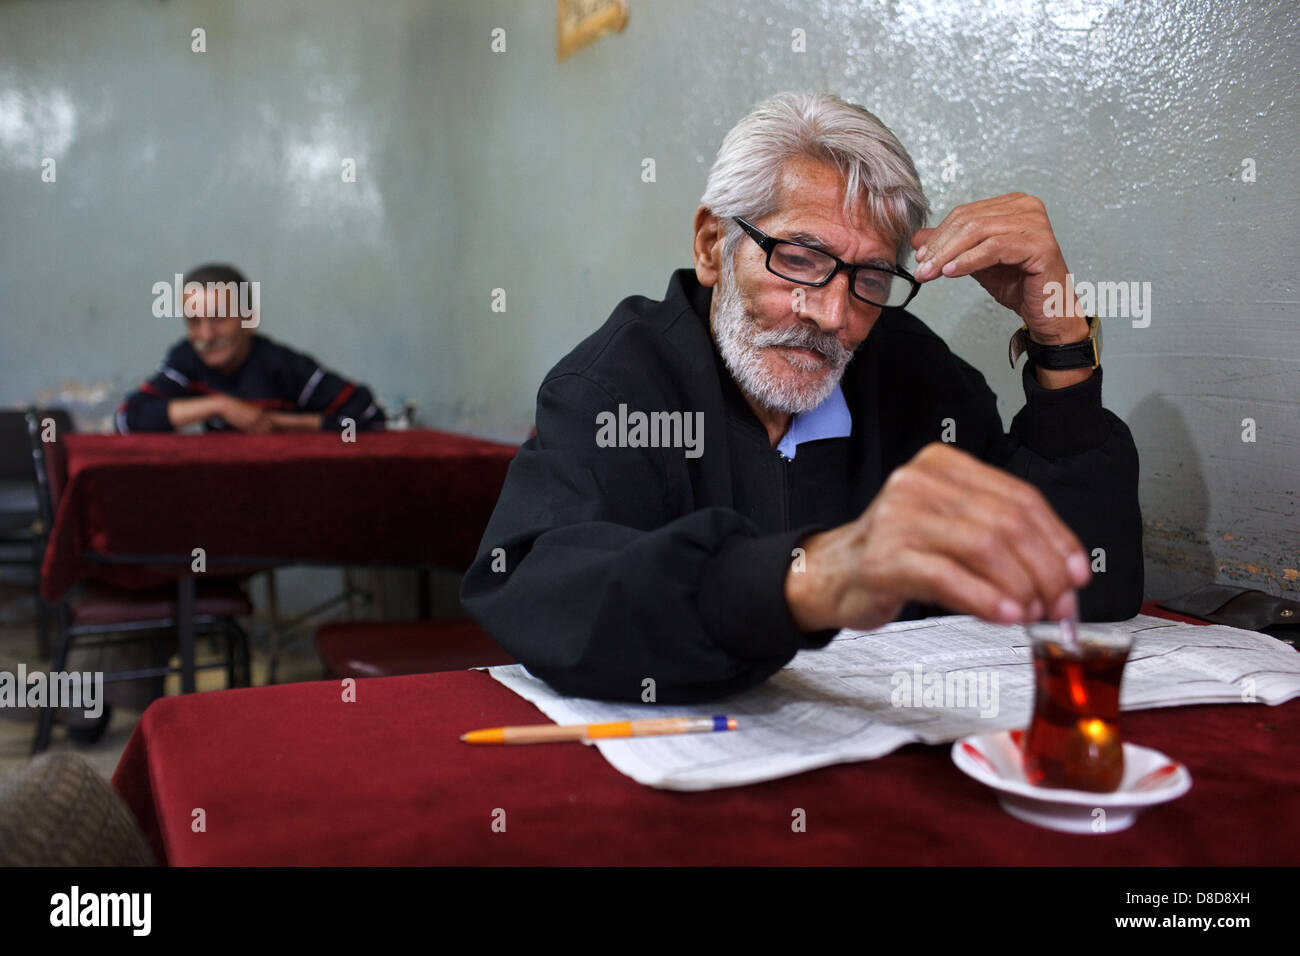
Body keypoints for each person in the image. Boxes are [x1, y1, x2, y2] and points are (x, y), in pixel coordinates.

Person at [460, 91, 1143, 704]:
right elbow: (541, 590)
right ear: (711, 246)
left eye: (871, 277)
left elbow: (1086, 588)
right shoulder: (619, 392)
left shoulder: (917, 379)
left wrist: (1059, 339)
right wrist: (809, 580)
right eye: (799, 259)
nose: (831, 313)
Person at [118, 264, 384, 434]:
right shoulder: (187, 359)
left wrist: (277, 422)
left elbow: (369, 417)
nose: (207, 335)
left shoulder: (282, 365)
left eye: (219, 318)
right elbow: (128, 420)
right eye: (195, 322)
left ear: (249, 320)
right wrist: (219, 405)